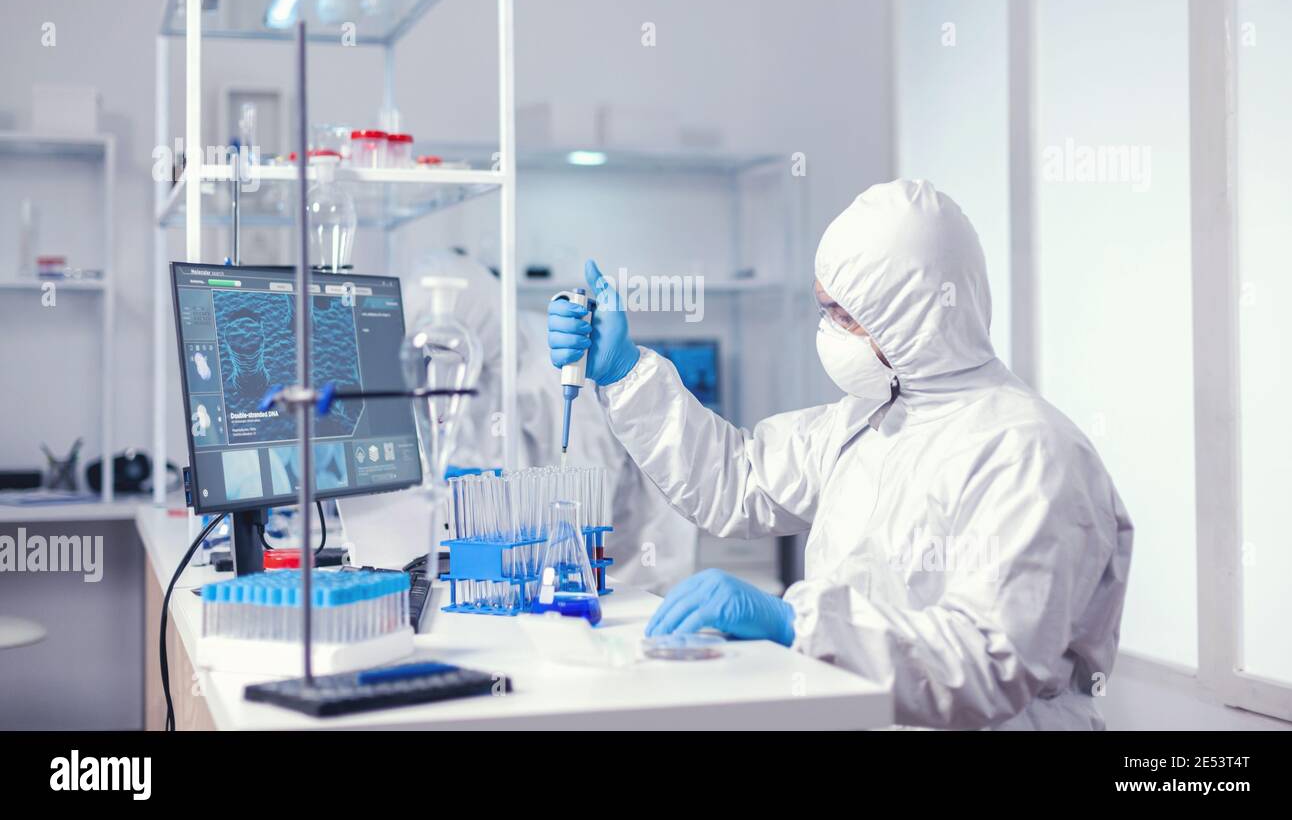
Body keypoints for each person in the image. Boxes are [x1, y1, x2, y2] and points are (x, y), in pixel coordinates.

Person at [547, 179, 1133, 730]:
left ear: (916, 317)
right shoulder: (870, 416)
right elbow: (738, 481)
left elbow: (985, 662)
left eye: (846, 317)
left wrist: (792, 623)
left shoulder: (1029, 453)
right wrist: (626, 374)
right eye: (825, 310)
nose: (829, 333)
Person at [408, 250, 697, 594]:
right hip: (550, 568)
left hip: (634, 555)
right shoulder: (476, 367)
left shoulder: (551, 368)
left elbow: (584, 501)